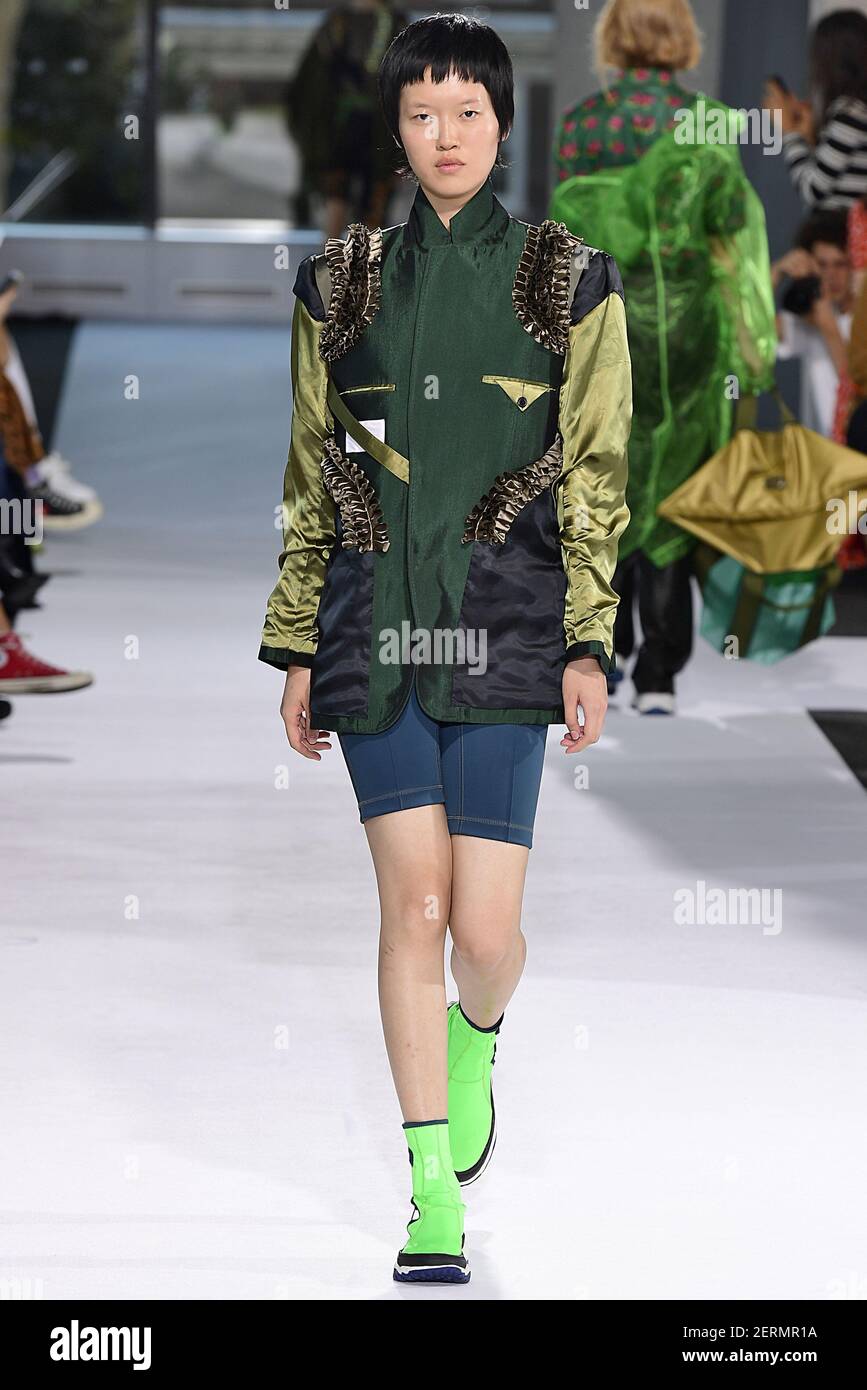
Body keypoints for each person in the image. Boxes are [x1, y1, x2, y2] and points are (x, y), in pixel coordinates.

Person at [258, 13, 632, 1283]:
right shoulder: (337, 283)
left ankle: (480, 1034)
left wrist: (590, 640)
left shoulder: (569, 280)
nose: (444, 135)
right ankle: (430, 1194)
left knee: (484, 934)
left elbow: (595, 477)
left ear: (503, 122)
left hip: (508, 628)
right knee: (412, 908)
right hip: (375, 631)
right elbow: (313, 476)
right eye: (422, 113)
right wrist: (297, 641)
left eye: (467, 111)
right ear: (398, 127)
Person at [551, 0, 776, 714]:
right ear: (682, 37)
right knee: (675, 486)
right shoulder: (708, 122)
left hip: (603, 320)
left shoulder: (583, 124)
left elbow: (562, 243)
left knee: (603, 476)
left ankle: (601, 657)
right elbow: (733, 241)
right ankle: (659, 673)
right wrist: (754, 345)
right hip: (685, 329)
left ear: (612, 36)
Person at [286, 0, 409, 237]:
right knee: (337, 198)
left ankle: (364, 269)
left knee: (372, 205)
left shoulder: (394, 22)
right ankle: (333, 267)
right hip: (340, 129)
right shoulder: (337, 22)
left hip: (378, 132)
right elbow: (311, 85)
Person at [764, 8, 867, 212]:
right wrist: (808, 137)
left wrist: (790, 132)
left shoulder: (850, 113)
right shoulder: (856, 111)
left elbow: (812, 190)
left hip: (839, 237)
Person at [773, 211, 854, 440]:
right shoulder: (811, 320)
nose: (831, 275)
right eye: (822, 265)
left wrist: (828, 326)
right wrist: (776, 272)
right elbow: (752, 334)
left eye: (841, 264)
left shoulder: (853, 321)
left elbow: (858, 393)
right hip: (821, 465)